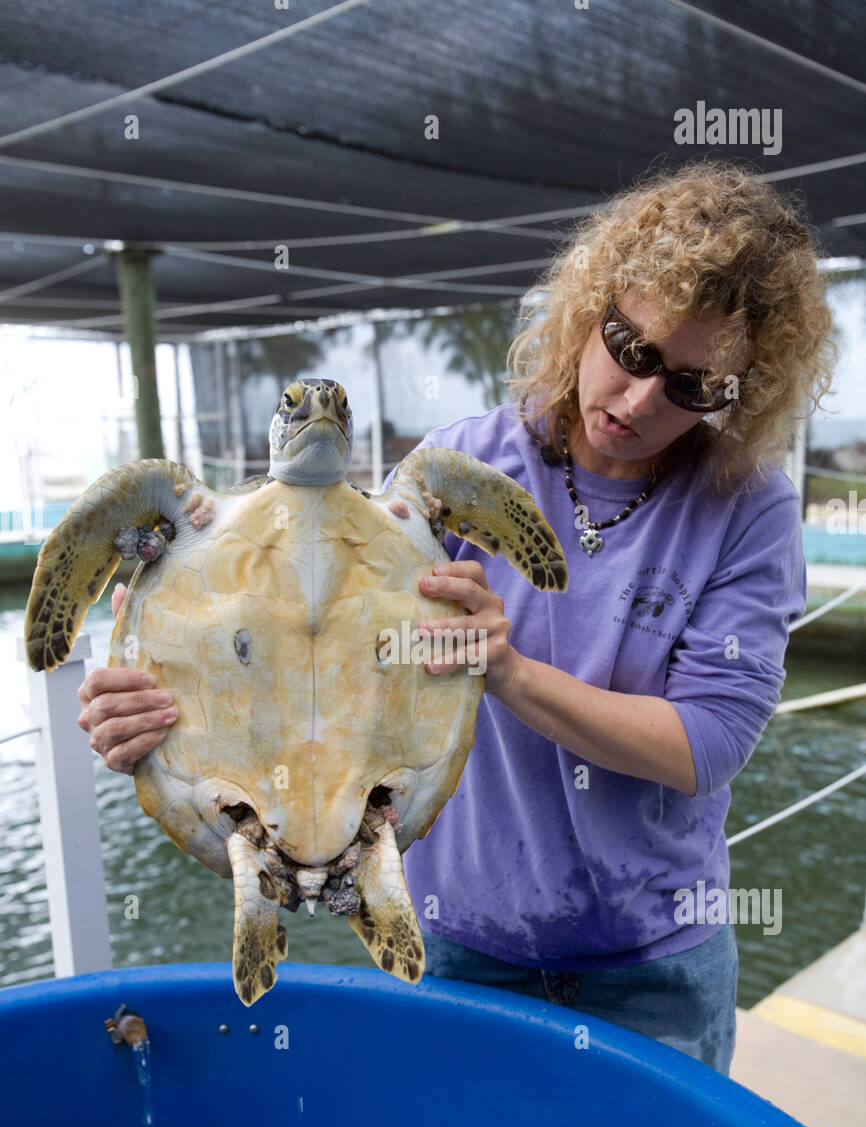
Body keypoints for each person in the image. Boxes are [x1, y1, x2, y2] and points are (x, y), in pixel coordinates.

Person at [77, 161, 835, 1076]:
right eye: (631, 348)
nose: (638, 399)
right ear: (588, 307)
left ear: (741, 393)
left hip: (654, 964)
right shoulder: (457, 468)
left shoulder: (746, 508)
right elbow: (326, 655)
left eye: (692, 385)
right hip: (462, 943)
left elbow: (706, 742)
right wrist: (160, 700)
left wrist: (509, 671)